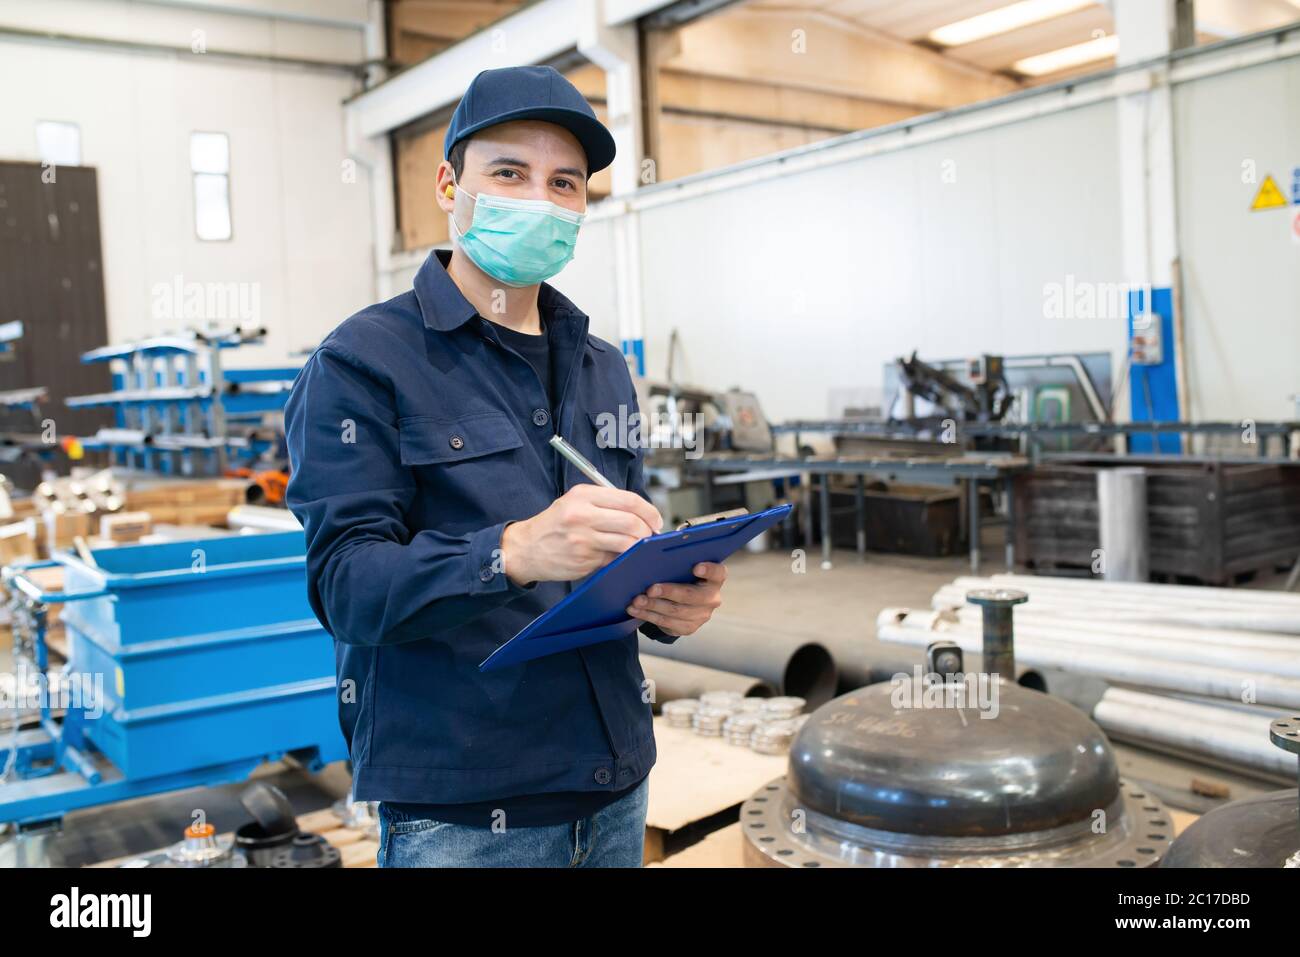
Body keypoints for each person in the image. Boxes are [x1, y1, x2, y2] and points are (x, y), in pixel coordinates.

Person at [284, 65, 728, 867]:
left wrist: (668, 598)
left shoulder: (601, 366)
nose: (540, 200)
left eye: (565, 182)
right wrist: (512, 552)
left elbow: (621, 541)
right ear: (449, 184)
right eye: (510, 173)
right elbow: (347, 587)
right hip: (465, 809)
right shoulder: (362, 362)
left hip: (615, 783)